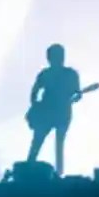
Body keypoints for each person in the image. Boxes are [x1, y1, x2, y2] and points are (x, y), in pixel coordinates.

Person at [26, 44, 82, 174]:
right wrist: (36, 107)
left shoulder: (70, 74)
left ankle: (58, 172)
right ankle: (29, 166)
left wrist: (71, 99)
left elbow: (77, 94)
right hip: (47, 112)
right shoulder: (46, 74)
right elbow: (34, 93)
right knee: (38, 140)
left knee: (58, 143)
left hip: (61, 112)